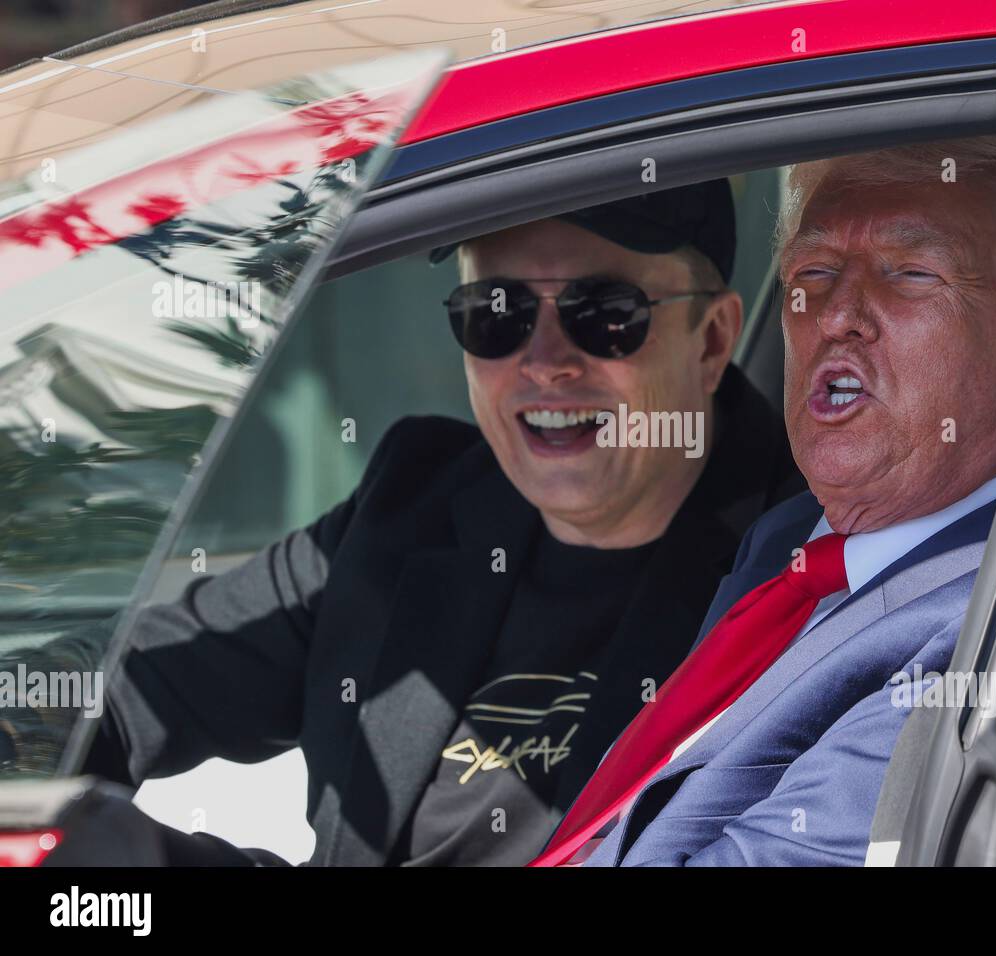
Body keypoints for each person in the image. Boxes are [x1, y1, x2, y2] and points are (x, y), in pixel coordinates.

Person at [5, 179, 800, 866]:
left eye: (605, 313)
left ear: (713, 338)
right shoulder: (414, 501)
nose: (546, 361)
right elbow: (127, 686)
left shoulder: (811, 560)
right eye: (497, 312)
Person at [534, 136, 996, 867]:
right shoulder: (790, 540)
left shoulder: (993, 629)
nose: (836, 315)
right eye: (813, 271)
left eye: (912, 274)